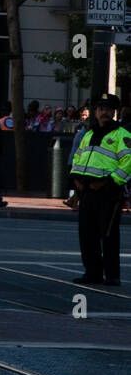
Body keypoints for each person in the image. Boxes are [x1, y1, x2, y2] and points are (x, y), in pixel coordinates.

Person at [68, 93, 131, 285]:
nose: (104, 113)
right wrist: (75, 180)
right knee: (87, 235)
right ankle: (92, 272)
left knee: (109, 234)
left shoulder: (122, 135)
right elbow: (78, 158)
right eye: (101, 109)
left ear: (114, 112)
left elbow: (128, 161)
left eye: (108, 110)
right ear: (95, 112)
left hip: (108, 193)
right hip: (87, 191)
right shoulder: (89, 134)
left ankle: (112, 275)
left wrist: (109, 182)